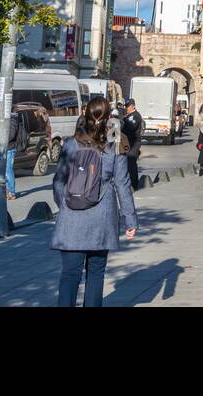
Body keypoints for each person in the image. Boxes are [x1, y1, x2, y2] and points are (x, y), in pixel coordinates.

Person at [51, 97, 138, 307]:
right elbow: (122, 183)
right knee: (96, 273)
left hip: (72, 218)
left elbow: (58, 181)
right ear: (109, 117)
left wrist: (64, 205)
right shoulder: (113, 146)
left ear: (86, 115)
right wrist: (130, 220)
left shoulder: (71, 143)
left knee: (70, 274)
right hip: (102, 219)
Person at [120, 98, 143, 190]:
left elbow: (131, 128)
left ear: (133, 106)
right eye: (126, 106)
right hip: (128, 142)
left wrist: (122, 124)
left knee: (131, 162)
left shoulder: (135, 116)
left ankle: (134, 185)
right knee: (127, 163)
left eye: (128, 106)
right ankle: (129, 183)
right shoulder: (128, 116)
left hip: (134, 142)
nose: (126, 108)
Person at [4, 109, 25, 200]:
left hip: (9, 147)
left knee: (8, 171)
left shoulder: (12, 119)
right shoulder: (11, 119)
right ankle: (8, 191)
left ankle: (11, 192)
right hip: (7, 147)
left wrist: (3, 139)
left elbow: (11, 135)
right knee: (6, 171)